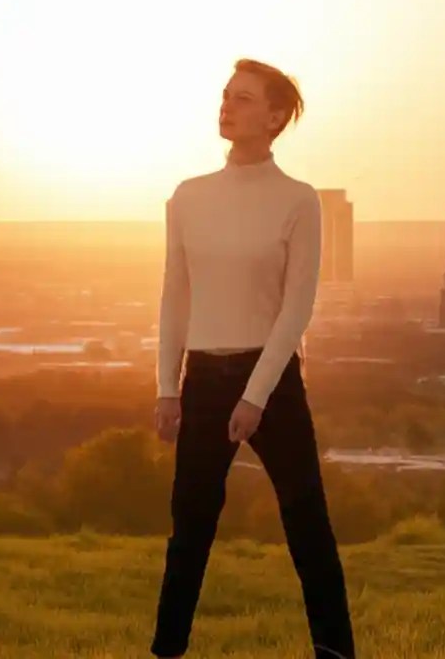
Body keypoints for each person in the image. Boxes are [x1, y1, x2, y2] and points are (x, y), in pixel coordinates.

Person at [150, 58, 356, 659]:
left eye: (242, 99)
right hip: (202, 380)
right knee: (189, 530)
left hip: (271, 383)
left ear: (274, 118)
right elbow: (174, 294)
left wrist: (255, 397)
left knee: (307, 525)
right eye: (224, 95)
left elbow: (297, 309)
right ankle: (166, 651)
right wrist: (167, 387)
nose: (226, 105)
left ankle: (337, 653)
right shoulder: (187, 197)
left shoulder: (298, 200)